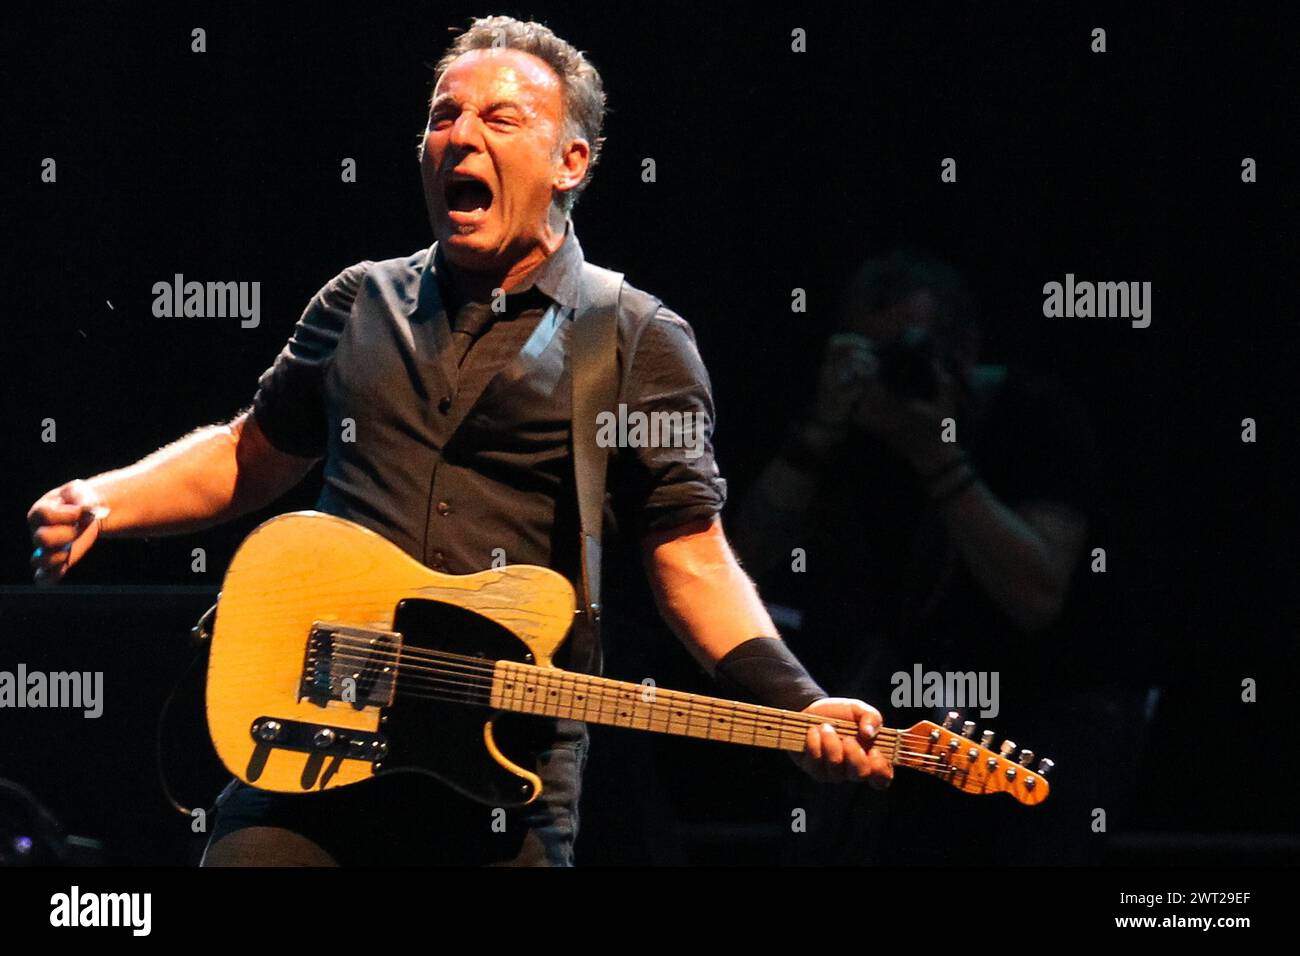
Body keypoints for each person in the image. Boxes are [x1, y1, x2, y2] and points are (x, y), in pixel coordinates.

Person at [26, 15, 892, 866]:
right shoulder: (356, 303)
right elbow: (252, 452)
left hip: (499, 769)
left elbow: (692, 558)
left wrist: (797, 701)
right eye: (444, 115)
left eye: (500, 119)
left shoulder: (633, 339)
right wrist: (108, 499)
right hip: (315, 729)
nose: (459, 137)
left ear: (570, 164)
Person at [732, 250, 1146, 864]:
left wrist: (940, 458)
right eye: (873, 358)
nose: (894, 378)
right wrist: (818, 433)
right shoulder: (841, 426)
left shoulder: (1031, 416)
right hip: (899, 715)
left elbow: (1035, 596)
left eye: (910, 354)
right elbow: (734, 566)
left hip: (1044, 710)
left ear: (967, 351)